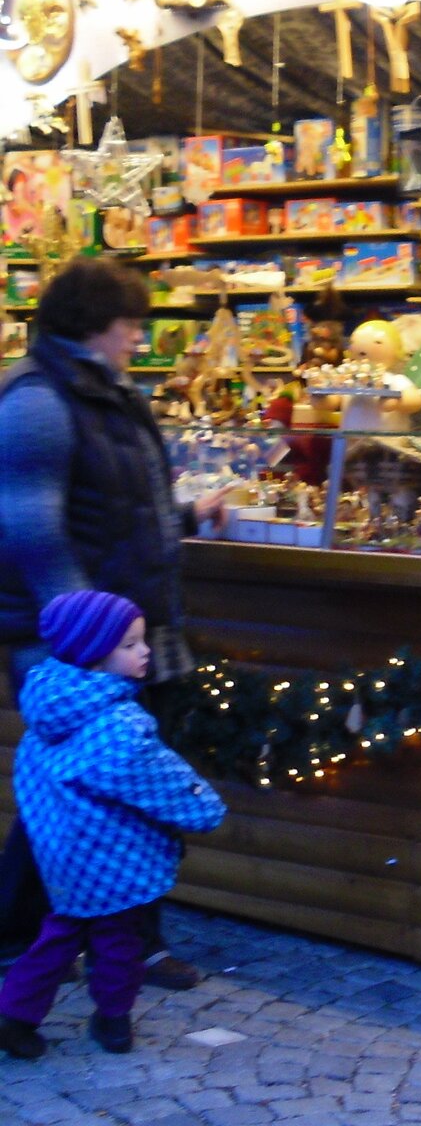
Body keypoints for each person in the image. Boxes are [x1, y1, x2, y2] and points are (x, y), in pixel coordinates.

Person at [0, 259, 225, 983]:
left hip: (124, 635)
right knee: (72, 793)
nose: (139, 336)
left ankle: (124, 941)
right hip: (74, 645)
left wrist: (188, 515)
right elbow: (32, 532)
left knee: (122, 791)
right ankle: (24, 936)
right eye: (131, 323)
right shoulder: (38, 401)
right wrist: (92, 644)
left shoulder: (110, 393)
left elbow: (121, 508)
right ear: (94, 324)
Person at [0, 591, 224, 1058]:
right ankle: (113, 1021)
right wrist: (206, 807)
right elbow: (162, 781)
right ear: (93, 653)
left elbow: (32, 780)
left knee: (57, 938)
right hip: (115, 860)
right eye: (129, 645)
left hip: (64, 857)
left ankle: (14, 1018)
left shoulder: (48, 709)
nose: (144, 652)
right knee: (120, 942)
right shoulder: (118, 726)